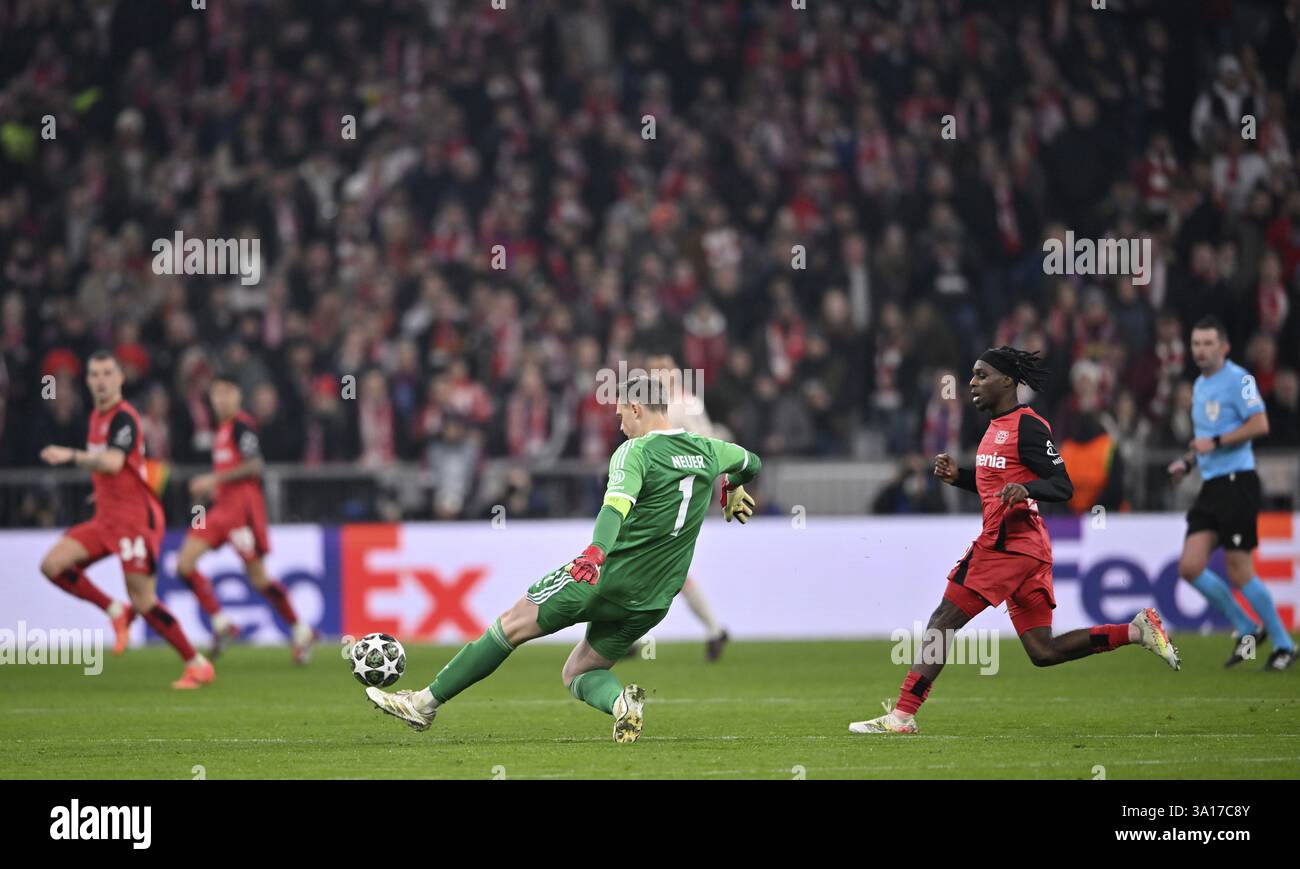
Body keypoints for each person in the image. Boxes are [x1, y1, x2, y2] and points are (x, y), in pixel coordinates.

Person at [365, 375, 762, 743]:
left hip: (604, 577)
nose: (620, 424)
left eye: (621, 414)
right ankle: (622, 703)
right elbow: (751, 461)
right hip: (653, 600)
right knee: (580, 672)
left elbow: (615, 508)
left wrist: (595, 553)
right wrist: (731, 485)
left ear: (638, 409)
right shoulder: (709, 450)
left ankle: (422, 705)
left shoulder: (635, 452)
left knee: (509, 627)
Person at [850, 347, 1179, 735]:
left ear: (1007, 380)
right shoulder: (993, 428)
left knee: (942, 620)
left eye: (981, 375)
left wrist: (1026, 489)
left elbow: (1062, 486)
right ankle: (1137, 630)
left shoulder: (1028, 426)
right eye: (971, 376)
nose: (971, 383)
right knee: (1043, 651)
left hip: (1008, 543)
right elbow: (997, 486)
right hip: (1027, 548)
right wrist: (960, 477)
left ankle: (902, 715)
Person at [38, 351, 215, 689]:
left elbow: (114, 463)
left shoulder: (124, 418)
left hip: (136, 520)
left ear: (120, 378)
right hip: (106, 518)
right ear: (87, 381)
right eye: (95, 374)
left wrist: (71, 455)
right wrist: (100, 491)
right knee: (52, 565)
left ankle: (197, 663)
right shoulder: (95, 418)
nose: (101, 380)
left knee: (144, 600)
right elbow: (115, 470)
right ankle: (114, 610)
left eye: (107, 373)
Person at [1168, 317, 1294, 670]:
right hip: (1212, 485)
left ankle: (1284, 644)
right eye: (1196, 344)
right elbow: (1205, 440)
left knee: (1240, 570)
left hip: (1238, 481)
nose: (1201, 350)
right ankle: (1246, 628)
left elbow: (1260, 423)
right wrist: (1188, 462)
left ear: (1224, 347)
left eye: (1208, 343)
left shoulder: (1240, 380)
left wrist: (1218, 442)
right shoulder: (1200, 386)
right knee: (1190, 566)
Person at [174, 370, 317, 663]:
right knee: (183, 564)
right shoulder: (222, 430)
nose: (220, 398)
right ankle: (221, 624)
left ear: (237, 395)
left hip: (242, 513)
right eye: (216, 393)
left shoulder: (242, 426)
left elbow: (254, 465)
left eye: (226, 392)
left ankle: (301, 630)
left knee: (259, 579)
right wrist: (210, 489)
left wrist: (213, 479)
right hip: (220, 512)